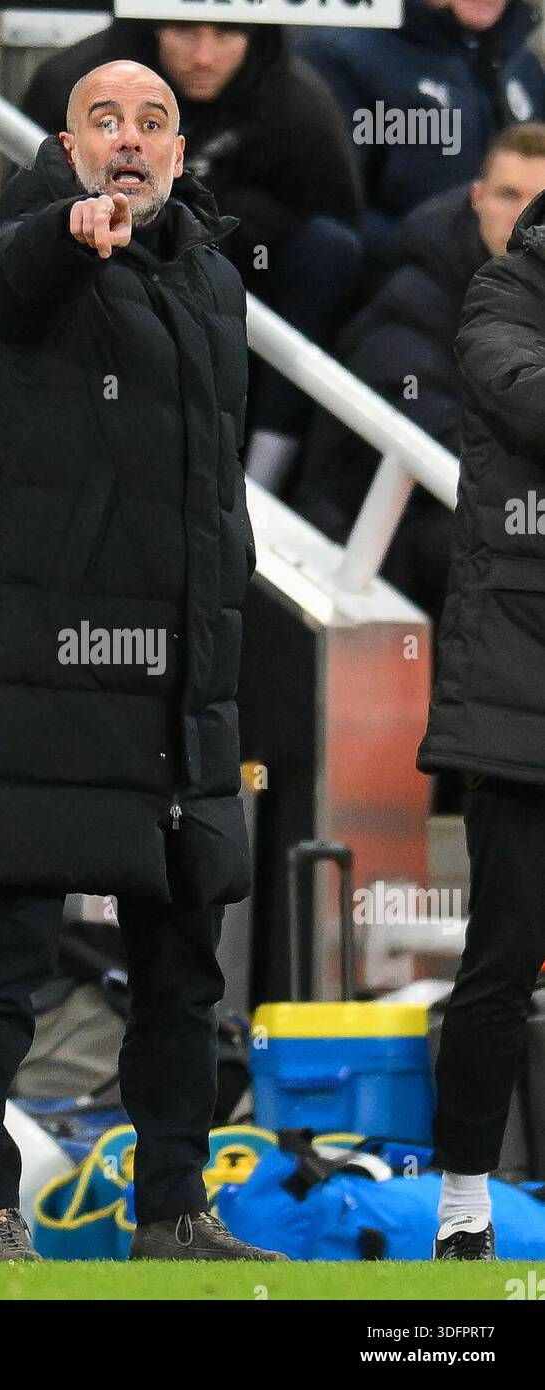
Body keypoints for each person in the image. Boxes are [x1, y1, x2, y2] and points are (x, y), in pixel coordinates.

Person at [0, 59, 286, 1264]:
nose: (127, 142)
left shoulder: (210, 279)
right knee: (4, 954)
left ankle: (172, 1214)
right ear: (68, 145)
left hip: (181, 681)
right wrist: (72, 234)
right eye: (103, 123)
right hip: (44, 666)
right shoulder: (30, 251)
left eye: (150, 125)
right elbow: (19, 269)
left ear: (179, 152)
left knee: (182, 968)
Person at [21, 17, 364, 490]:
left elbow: (339, 214)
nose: (203, 56)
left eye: (224, 35)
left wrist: (230, 221)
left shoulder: (297, 103)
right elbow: (27, 210)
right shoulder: (75, 83)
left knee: (330, 250)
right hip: (111, 264)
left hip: (241, 272)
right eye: (184, 31)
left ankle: (265, 477)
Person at [416, 173, 545, 1258]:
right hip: (517, 694)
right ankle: (463, 1209)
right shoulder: (502, 296)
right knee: (500, 962)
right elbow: (529, 400)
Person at [293, 122, 545, 626]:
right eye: (507, 195)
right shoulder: (416, 300)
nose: (523, 219)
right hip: (391, 535)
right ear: (476, 198)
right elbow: (447, 438)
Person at [298, 0, 545, 272]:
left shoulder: (519, 60)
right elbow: (334, 210)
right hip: (406, 283)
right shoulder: (341, 54)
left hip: (513, 279)